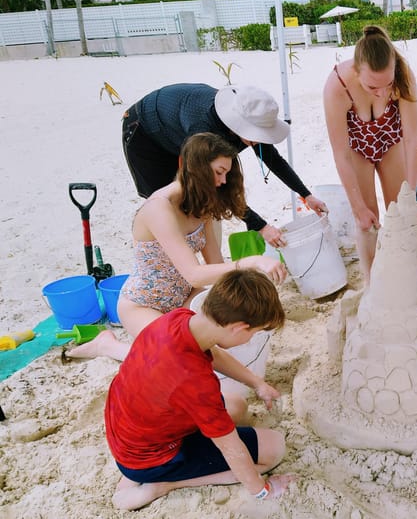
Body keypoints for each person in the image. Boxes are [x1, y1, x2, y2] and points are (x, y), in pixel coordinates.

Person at [67, 134, 287, 418]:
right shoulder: (158, 207)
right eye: (219, 172)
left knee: (202, 342)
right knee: (174, 357)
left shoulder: (202, 205)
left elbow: (215, 268)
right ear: (194, 167)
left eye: (226, 174)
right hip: (143, 303)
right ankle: (108, 345)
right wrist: (250, 262)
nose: (222, 181)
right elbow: (194, 273)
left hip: (185, 297)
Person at [105, 268, 296, 510]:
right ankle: (165, 484)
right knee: (274, 448)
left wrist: (257, 383)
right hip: (152, 457)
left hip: (128, 434)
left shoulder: (179, 319)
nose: (251, 340)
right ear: (239, 328)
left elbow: (213, 353)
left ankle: (141, 471)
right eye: (255, 333)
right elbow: (229, 446)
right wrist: (262, 490)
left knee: (237, 405)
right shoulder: (194, 380)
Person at [123, 83, 327, 248]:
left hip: (179, 129)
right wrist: (261, 226)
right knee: (170, 206)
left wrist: (306, 195)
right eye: (257, 134)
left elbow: (273, 160)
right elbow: (216, 187)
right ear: (239, 125)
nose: (261, 139)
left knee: (203, 204)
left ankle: (207, 262)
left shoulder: (247, 118)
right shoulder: (204, 130)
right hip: (145, 132)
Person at [323, 25, 417, 283]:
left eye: (387, 84)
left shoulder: (403, 73)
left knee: (400, 211)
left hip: (392, 142)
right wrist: (358, 207)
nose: (382, 92)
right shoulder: (338, 86)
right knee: (367, 221)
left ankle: (403, 277)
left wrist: (411, 190)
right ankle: (371, 284)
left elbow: (411, 139)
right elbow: (340, 153)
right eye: (372, 86)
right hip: (357, 149)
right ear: (356, 71)